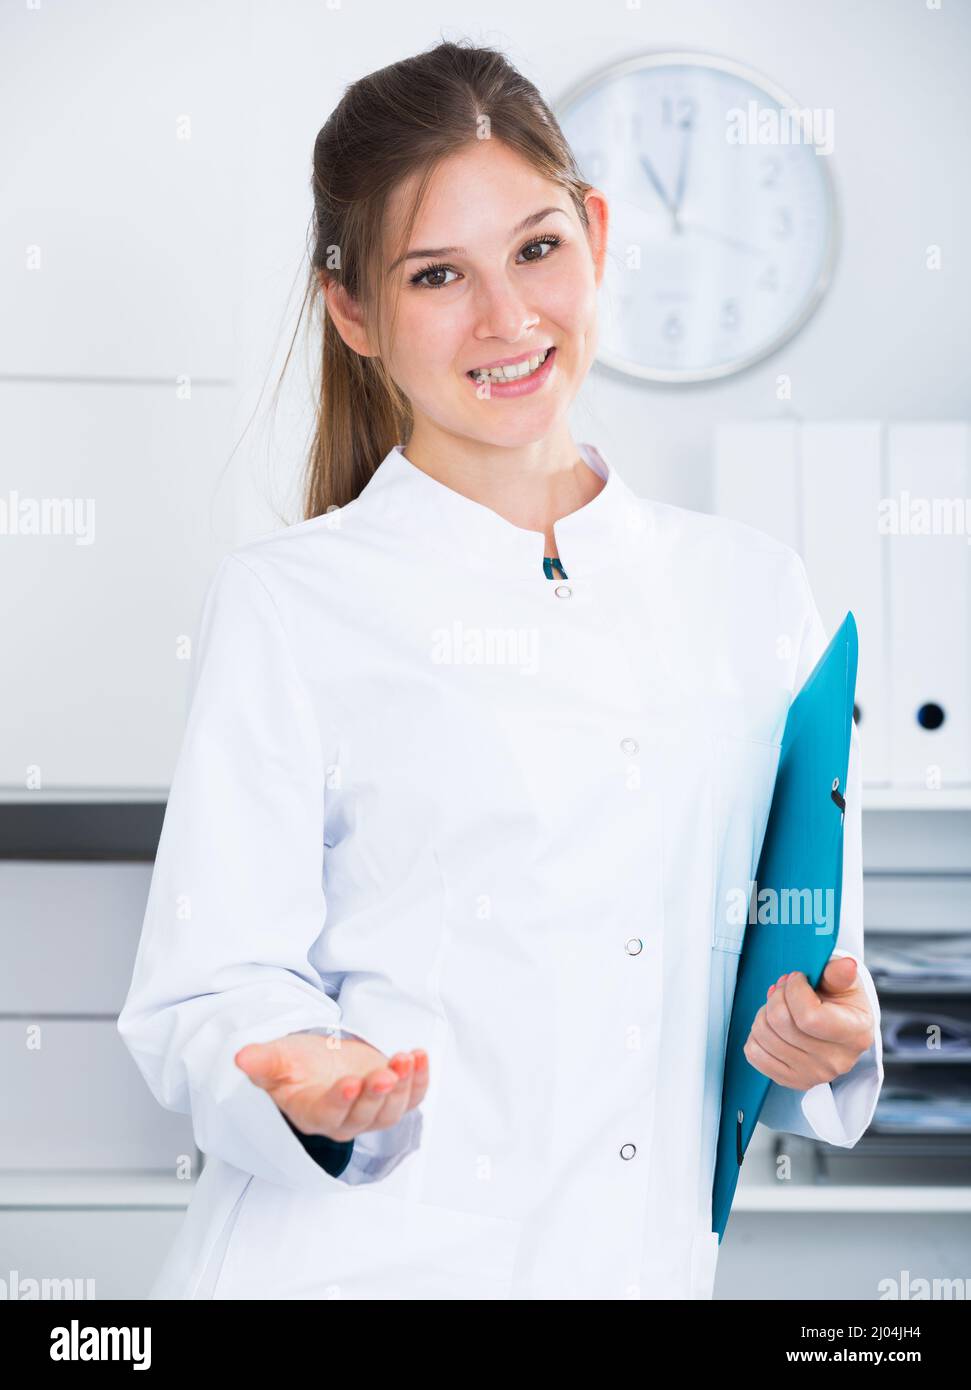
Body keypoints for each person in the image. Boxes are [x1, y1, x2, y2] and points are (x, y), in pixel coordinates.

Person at [117, 38, 883, 1301]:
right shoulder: (292, 604)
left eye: (535, 249)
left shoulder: (754, 597)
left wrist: (821, 1040)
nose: (506, 319)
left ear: (592, 230)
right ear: (354, 312)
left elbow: (797, 961)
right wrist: (303, 1070)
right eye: (436, 276)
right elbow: (207, 989)